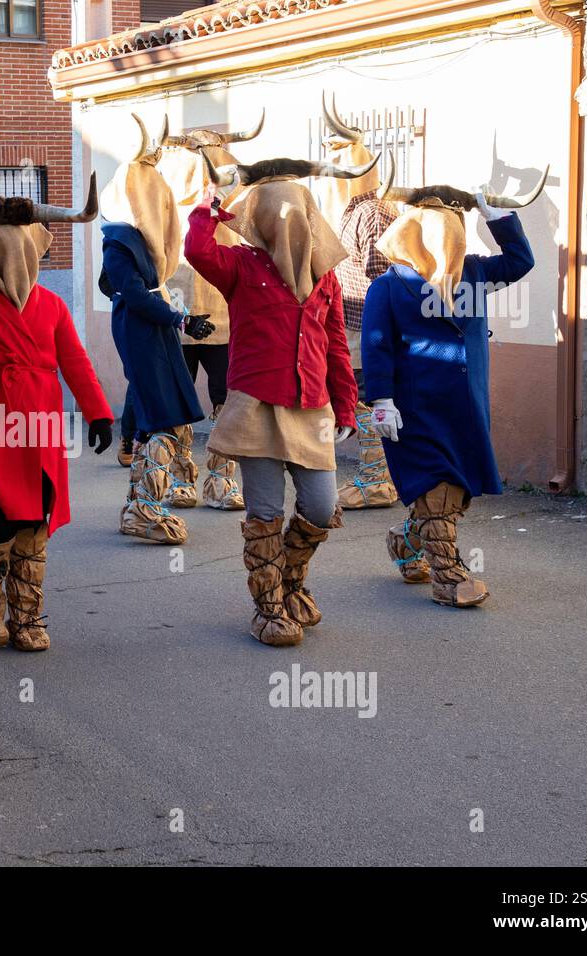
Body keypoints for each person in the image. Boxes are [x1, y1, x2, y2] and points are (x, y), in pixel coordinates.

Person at [186, 153, 367, 647]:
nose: (289, 225)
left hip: (313, 408)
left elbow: (334, 345)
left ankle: (288, 583)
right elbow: (199, 253)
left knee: (321, 506)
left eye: (297, 215)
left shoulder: (324, 276)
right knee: (264, 512)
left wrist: (346, 405)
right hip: (257, 407)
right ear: (261, 219)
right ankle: (268, 607)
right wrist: (210, 208)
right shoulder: (241, 265)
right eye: (277, 215)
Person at [0, 178, 112, 652]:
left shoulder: (51, 304)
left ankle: (28, 617)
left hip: (38, 423)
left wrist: (98, 413)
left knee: (33, 522)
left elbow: (75, 360)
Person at [363, 170, 542, 607]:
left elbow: (521, 261)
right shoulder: (388, 286)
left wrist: (495, 216)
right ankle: (450, 578)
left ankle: (407, 540)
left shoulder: (476, 273)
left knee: (455, 489)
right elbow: (377, 345)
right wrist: (381, 400)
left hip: (465, 406)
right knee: (437, 488)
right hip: (415, 407)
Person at [100, 114, 214, 546]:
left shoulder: (140, 243)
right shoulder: (117, 240)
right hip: (139, 330)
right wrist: (180, 319)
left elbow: (151, 291)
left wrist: (179, 317)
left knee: (166, 412)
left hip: (158, 325)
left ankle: (139, 502)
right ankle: (145, 508)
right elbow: (134, 295)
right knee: (159, 415)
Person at [157, 120, 264, 511]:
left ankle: (219, 479)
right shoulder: (168, 202)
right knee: (179, 399)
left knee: (225, 398)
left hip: (221, 318)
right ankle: (181, 479)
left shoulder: (230, 205)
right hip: (178, 319)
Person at [316, 93, 403, 511]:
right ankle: (375, 477)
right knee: (359, 397)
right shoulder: (348, 211)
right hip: (351, 323)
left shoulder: (372, 212)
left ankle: (378, 480)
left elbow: (379, 270)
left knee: (370, 398)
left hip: (369, 323)